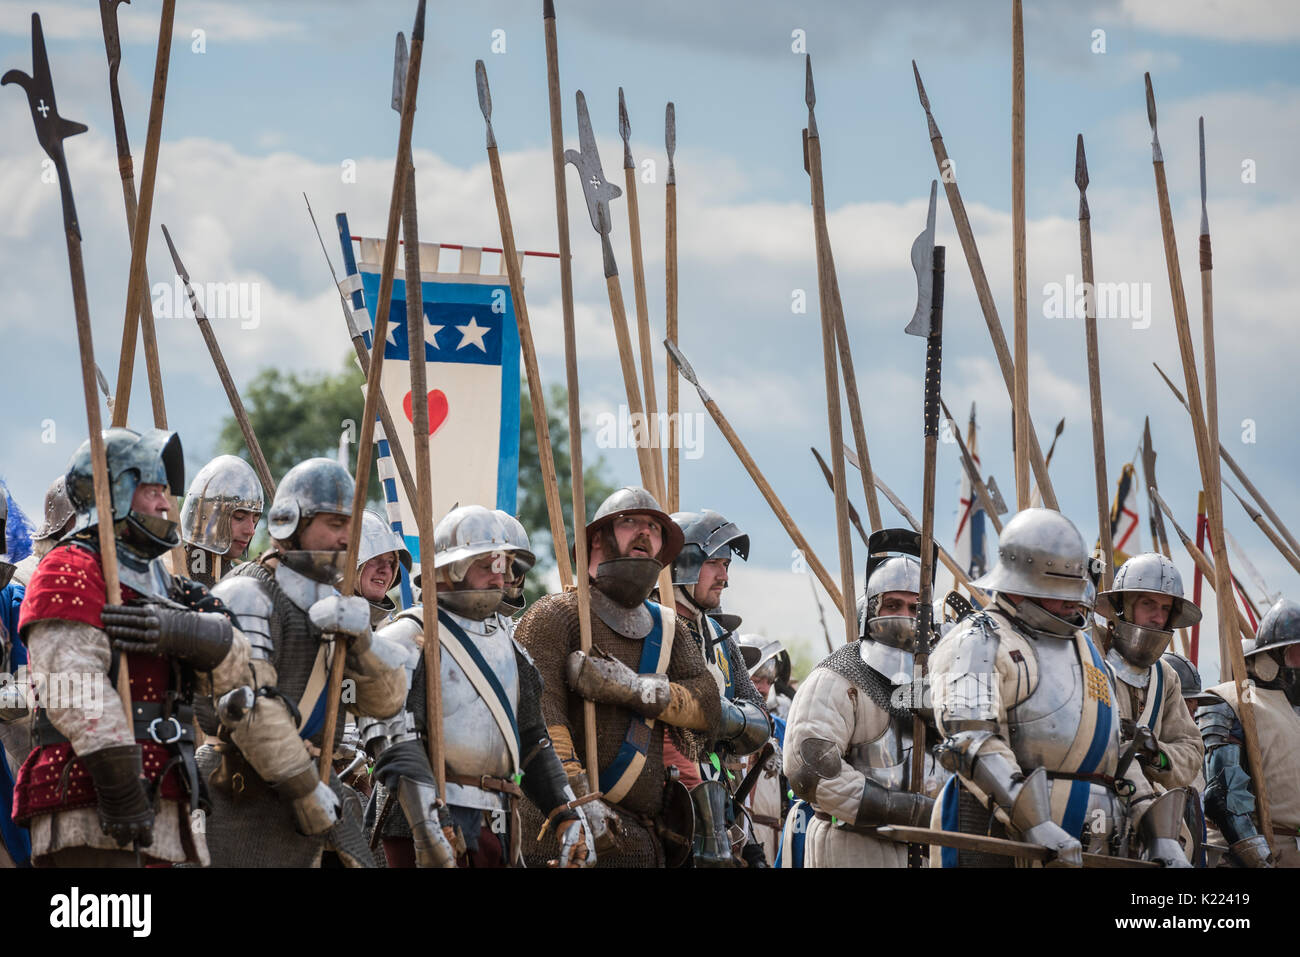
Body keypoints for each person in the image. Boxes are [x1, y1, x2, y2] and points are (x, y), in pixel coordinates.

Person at [12, 427, 251, 866]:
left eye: (165, 492)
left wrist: (184, 632)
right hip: (90, 798)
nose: (165, 504)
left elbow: (238, 671)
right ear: (116, 493)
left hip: (164, 797)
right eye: (152, 491)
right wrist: (121, 785)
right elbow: (72, 688)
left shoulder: (167, 585)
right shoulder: (68, 568)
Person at [927, 508, 1190, 867]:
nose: (1074, 597)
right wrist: (1036, 824)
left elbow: (1114, 752)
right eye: (1059, 585)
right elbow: (971, 742)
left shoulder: (1088, 652)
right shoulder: (977, 641)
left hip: (1094, 847)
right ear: (1023, 581)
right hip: (1004, 843)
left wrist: (1156, 831)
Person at [199, 457, 408, 867]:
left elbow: (385, 703)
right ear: (290, 522)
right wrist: (306, 789)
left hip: (316, 785)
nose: (346, 537)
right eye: (335, 524)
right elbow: (249, 710)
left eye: (350, 525)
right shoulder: (247, 593)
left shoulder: (333, 604)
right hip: (241, 792)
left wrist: (363, 643)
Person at [364, 505, 592, 868]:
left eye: (504, 565)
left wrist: (565, 812)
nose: (500, 575)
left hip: (497, 819)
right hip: (425, 822)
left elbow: (532, 741)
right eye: (488, 564)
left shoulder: (510, 649)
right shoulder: (407, 638)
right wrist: (429, 824)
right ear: (451, 569)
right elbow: (394, 741)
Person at [514, 487, 723, 867]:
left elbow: (707, 706)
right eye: (630, 522)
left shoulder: (669, 628)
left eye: (654, 528)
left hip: (644, 837)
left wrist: (633, 689)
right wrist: (577, 802)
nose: (645, 533)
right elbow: (540, 720)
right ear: (597, 539)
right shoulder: (555, 617)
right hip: (567, 832)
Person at [783, 532, 944, 867]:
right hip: (853, 847)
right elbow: (808, 770)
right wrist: (903, 810)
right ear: (872, 609)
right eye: (893, 605)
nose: (905, 616)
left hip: (929, 850)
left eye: (916, 607)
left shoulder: (939, 679)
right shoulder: (837, 677)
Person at [667, 509, 770, 866]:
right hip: (664, 799)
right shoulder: (651, 626)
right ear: (682, 564)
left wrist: (711, 715)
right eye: (714, 563)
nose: (724, 577)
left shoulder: (718, 637)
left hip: (717, 796)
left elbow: (759, 721)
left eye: (726, 565)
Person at [1197, 598, 1300, 868]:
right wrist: (1258, 859)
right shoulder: (1233, 702)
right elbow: (1224, 797)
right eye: (1298, 652)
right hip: (1251, 854)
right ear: (1273, 657)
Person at [1095, 553, 1205, 791]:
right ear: (1125, 606)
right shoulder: (1090, 651)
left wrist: (1155, 753)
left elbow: (1191, 750)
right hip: (1089, 793)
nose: (1158, 617)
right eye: (1148, 604)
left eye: (1165, 608)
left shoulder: (1165, 676)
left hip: (1143, 799)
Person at [178, 454, 263, 588]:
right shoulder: (166, 577)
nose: (251, 531)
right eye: (239, 517)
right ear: (209, 517)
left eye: (255, 519)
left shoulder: (242, 582)